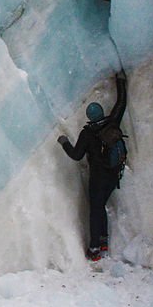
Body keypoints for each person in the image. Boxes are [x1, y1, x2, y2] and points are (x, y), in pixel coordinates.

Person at [58, 71, 127, 261]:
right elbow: (122, 103)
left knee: (95, 209)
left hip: (98, 178)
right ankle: (104, 239)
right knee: (101, 206)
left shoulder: (87, 134)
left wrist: (64, 142)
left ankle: (95, 247)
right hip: (114, 175)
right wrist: (121, 81)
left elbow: (76, 154)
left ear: (89, 117)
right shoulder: (113, 122)